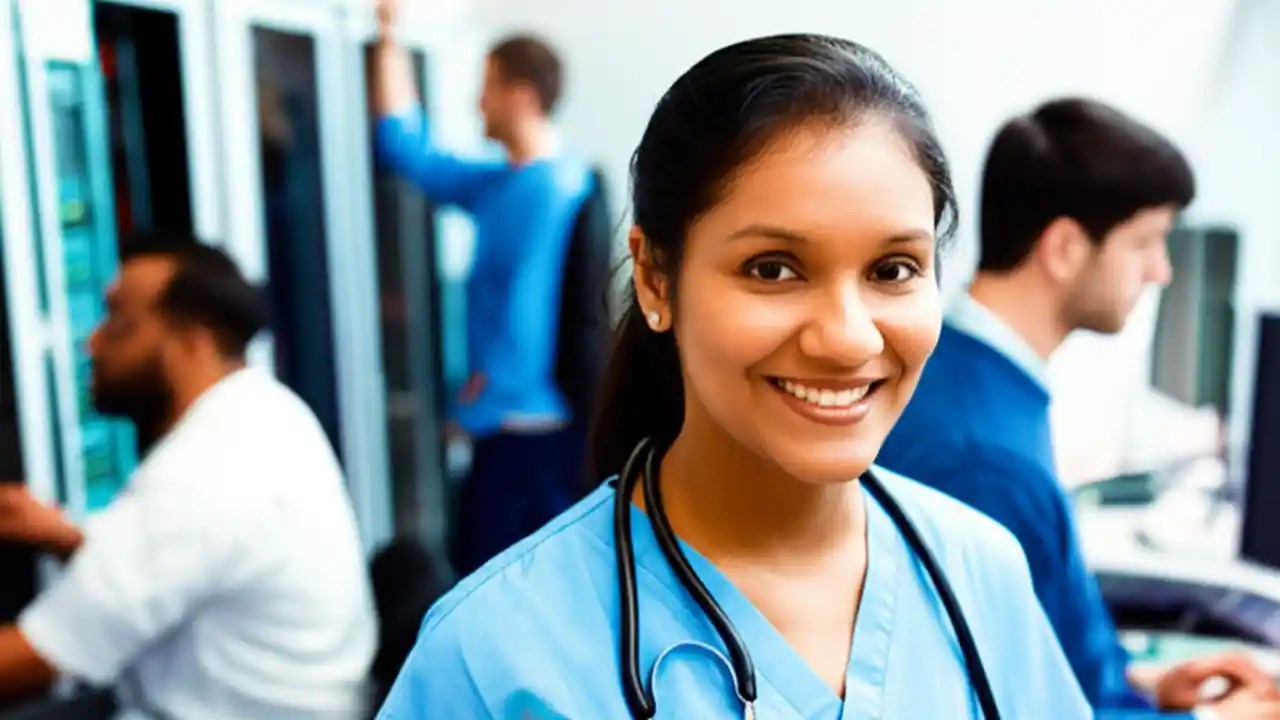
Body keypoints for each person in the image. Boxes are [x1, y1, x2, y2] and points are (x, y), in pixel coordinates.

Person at [375, 34, 1091, 718]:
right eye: (773, 269)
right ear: (656, 279)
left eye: (893, 270)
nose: (847, 338)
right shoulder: (494, 655)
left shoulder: (979, 572)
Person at [878, 98, 1280, 719]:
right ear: (1064, 248)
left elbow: (1033, 651)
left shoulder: (970, 381)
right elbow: (1007, 706)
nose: (1162, 271)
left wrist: (1141, 683)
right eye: (1145, 242)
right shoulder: (984, 459)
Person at [0, 234, 377, 718]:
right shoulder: (265, 412)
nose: (91, 342)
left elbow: (43, 655)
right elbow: (184, 560)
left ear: (192, 345)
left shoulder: (205, 472)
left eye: (118, 323)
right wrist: (67, 537)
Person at [372, 0, 595, 577]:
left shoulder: (551, 190)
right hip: (511, 430)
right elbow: (405, 149)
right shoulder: (504, 184)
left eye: (487, 87)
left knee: (503, 584)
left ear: (520, 96)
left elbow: (526, 316)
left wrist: (477, 402)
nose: (478, 103)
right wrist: (389, 34)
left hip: (528, 435)